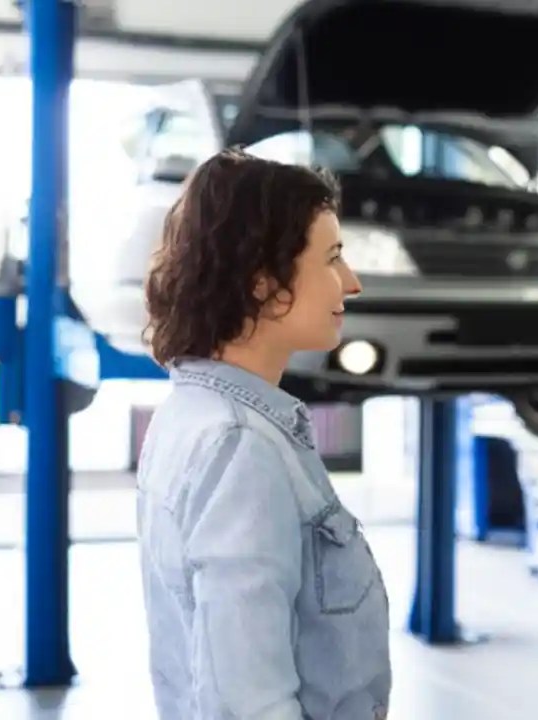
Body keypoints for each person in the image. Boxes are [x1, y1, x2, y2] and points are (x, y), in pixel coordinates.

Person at [135, 148, 390, 720]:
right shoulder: (240, 446)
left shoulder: (192, 415)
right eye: (332, 259)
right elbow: (249, 699)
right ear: (262, 284)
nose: (351, 284)